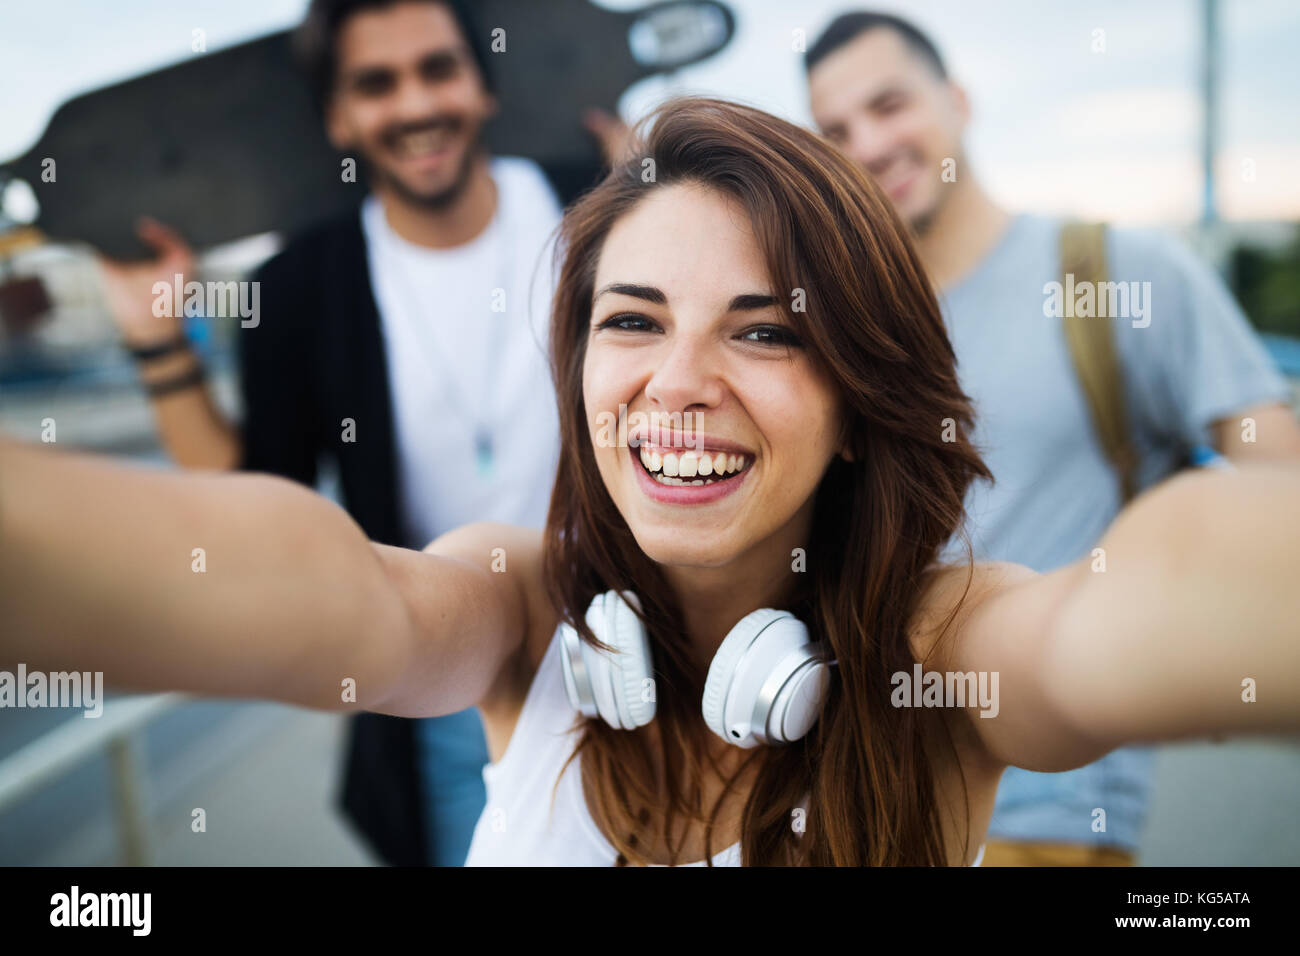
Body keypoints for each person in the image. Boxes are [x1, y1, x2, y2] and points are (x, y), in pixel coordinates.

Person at [5, 97, 1300, 866]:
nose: (676, 384)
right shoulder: (519, 615)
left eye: (765, 328)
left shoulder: (944, 653)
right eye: (630, 322)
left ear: (858, 401)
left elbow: (1159, 595)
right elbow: (313, 583)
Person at [804, 11, 1300, 866]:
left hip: (1044, 812)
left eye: (890, 106)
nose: (870, 144)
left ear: (958, 100)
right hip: (852, 803)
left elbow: (1275, 475)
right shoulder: (846, 325)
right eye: (837, 131)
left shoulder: (1114, 273)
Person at [95, 0, 564, 866]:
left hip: (651, 644)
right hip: (454, 691)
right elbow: (258, 495)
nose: (417, 105)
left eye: (438, 68)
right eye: (377, 84)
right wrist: (158, 341)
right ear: (339, 117)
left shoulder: (595, 207)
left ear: (483, 84)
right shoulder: (303, 287)